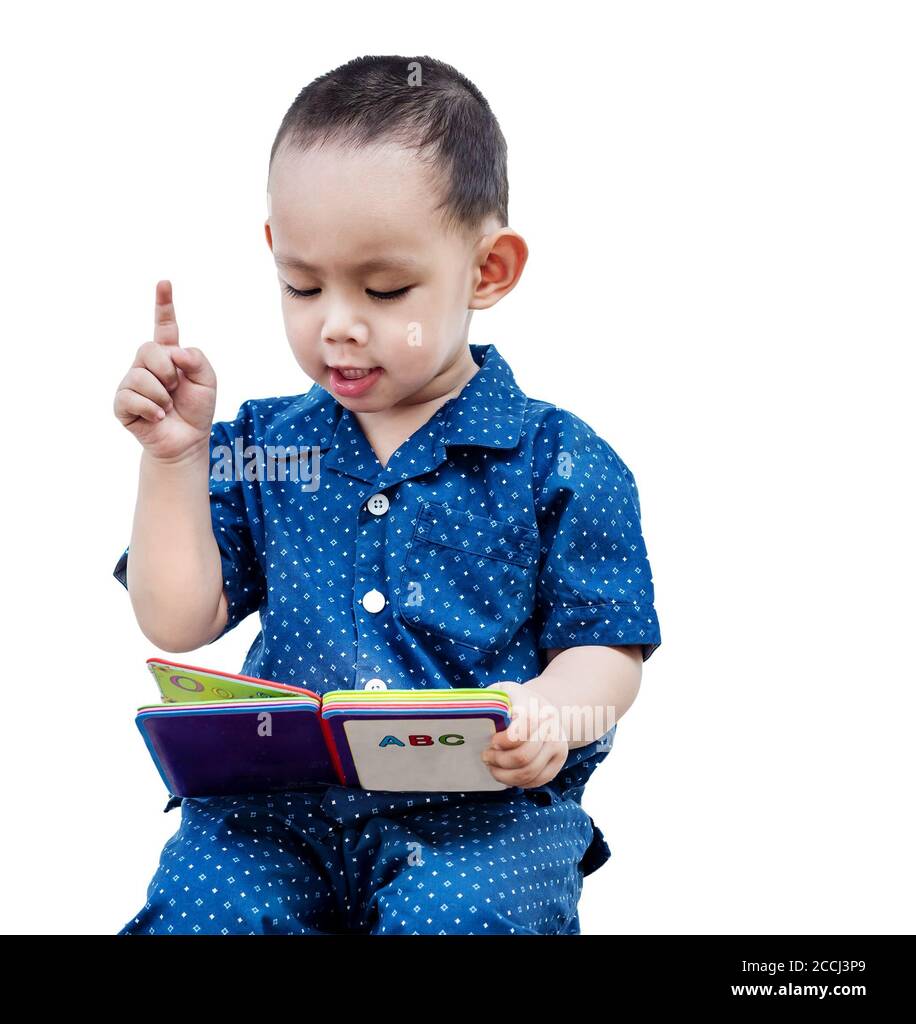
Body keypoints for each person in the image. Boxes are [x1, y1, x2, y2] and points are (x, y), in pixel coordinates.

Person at [110, 54, 661, 935]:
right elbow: (179, 618)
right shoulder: (265, 446)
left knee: (463, 917)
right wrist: (174, 461)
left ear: (488, 271)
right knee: (204, 907)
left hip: (478, 821)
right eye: (302, 284)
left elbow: (609, 647)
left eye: (385, 289)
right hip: (276, 811)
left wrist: (551, 708)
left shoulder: (557, 459)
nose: (336, 322)